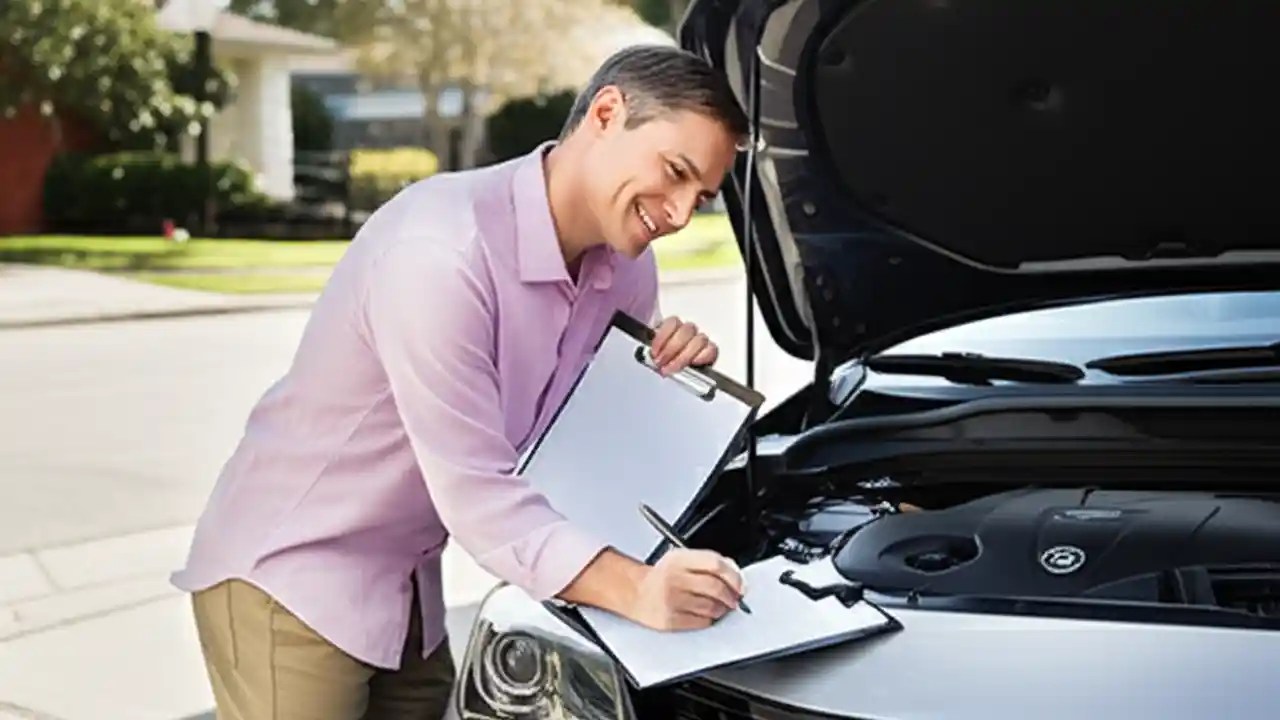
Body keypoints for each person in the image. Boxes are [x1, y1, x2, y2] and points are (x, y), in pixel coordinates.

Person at [172, 44, 751, 719]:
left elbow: (584, 448)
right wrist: (641, 590)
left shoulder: (627, 269)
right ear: (605, 113)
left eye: (701, 196)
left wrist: (666, 378)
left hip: (407, 586)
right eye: (675, 173)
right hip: (292, 576)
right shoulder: (440, 255)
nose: (681, 214)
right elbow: (482, 497)